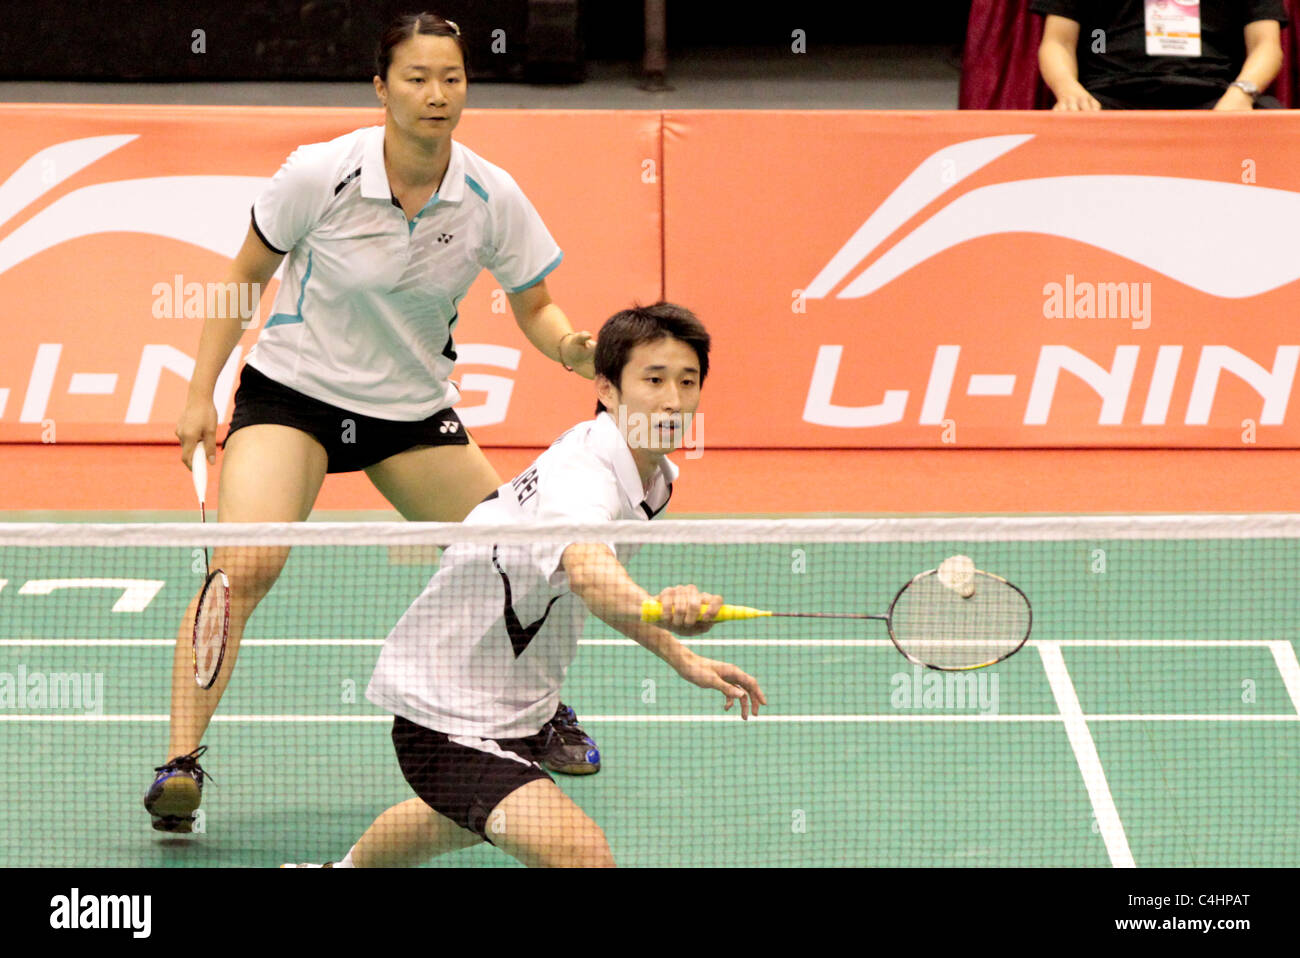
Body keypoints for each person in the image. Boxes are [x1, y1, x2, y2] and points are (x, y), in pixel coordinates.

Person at [145, 12, 605, 833]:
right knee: (242, 570)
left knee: (526, 553)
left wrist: (570, 346)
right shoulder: (318, 173)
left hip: (410, 410)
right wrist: (198, 393)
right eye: (418, 78)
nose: (437, 95)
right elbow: (242, 279)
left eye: (452, 78)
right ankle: (180, 763)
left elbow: (535, 304)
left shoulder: (490, 194)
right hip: (295, 395)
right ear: (381, 87)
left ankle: (536, 714)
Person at [284, 303, 767, 868]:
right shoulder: (579, 476)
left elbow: (588, 583)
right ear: (608, 389)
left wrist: (678, 653)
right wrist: (657, 607)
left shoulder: (650, 475)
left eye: (688, 383)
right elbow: (589, 571)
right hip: (447, 715)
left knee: (453, 820)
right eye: (654, 380)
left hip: (514, 709)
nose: (673, 401)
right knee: (582, 855)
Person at [1033, 0, 1287, 109]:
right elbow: (1058, 43)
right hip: (1106, 95)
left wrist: (1241, 94)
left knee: (1278, 131)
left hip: (1217, 96)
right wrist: (1068, 90)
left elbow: (1266, 45)